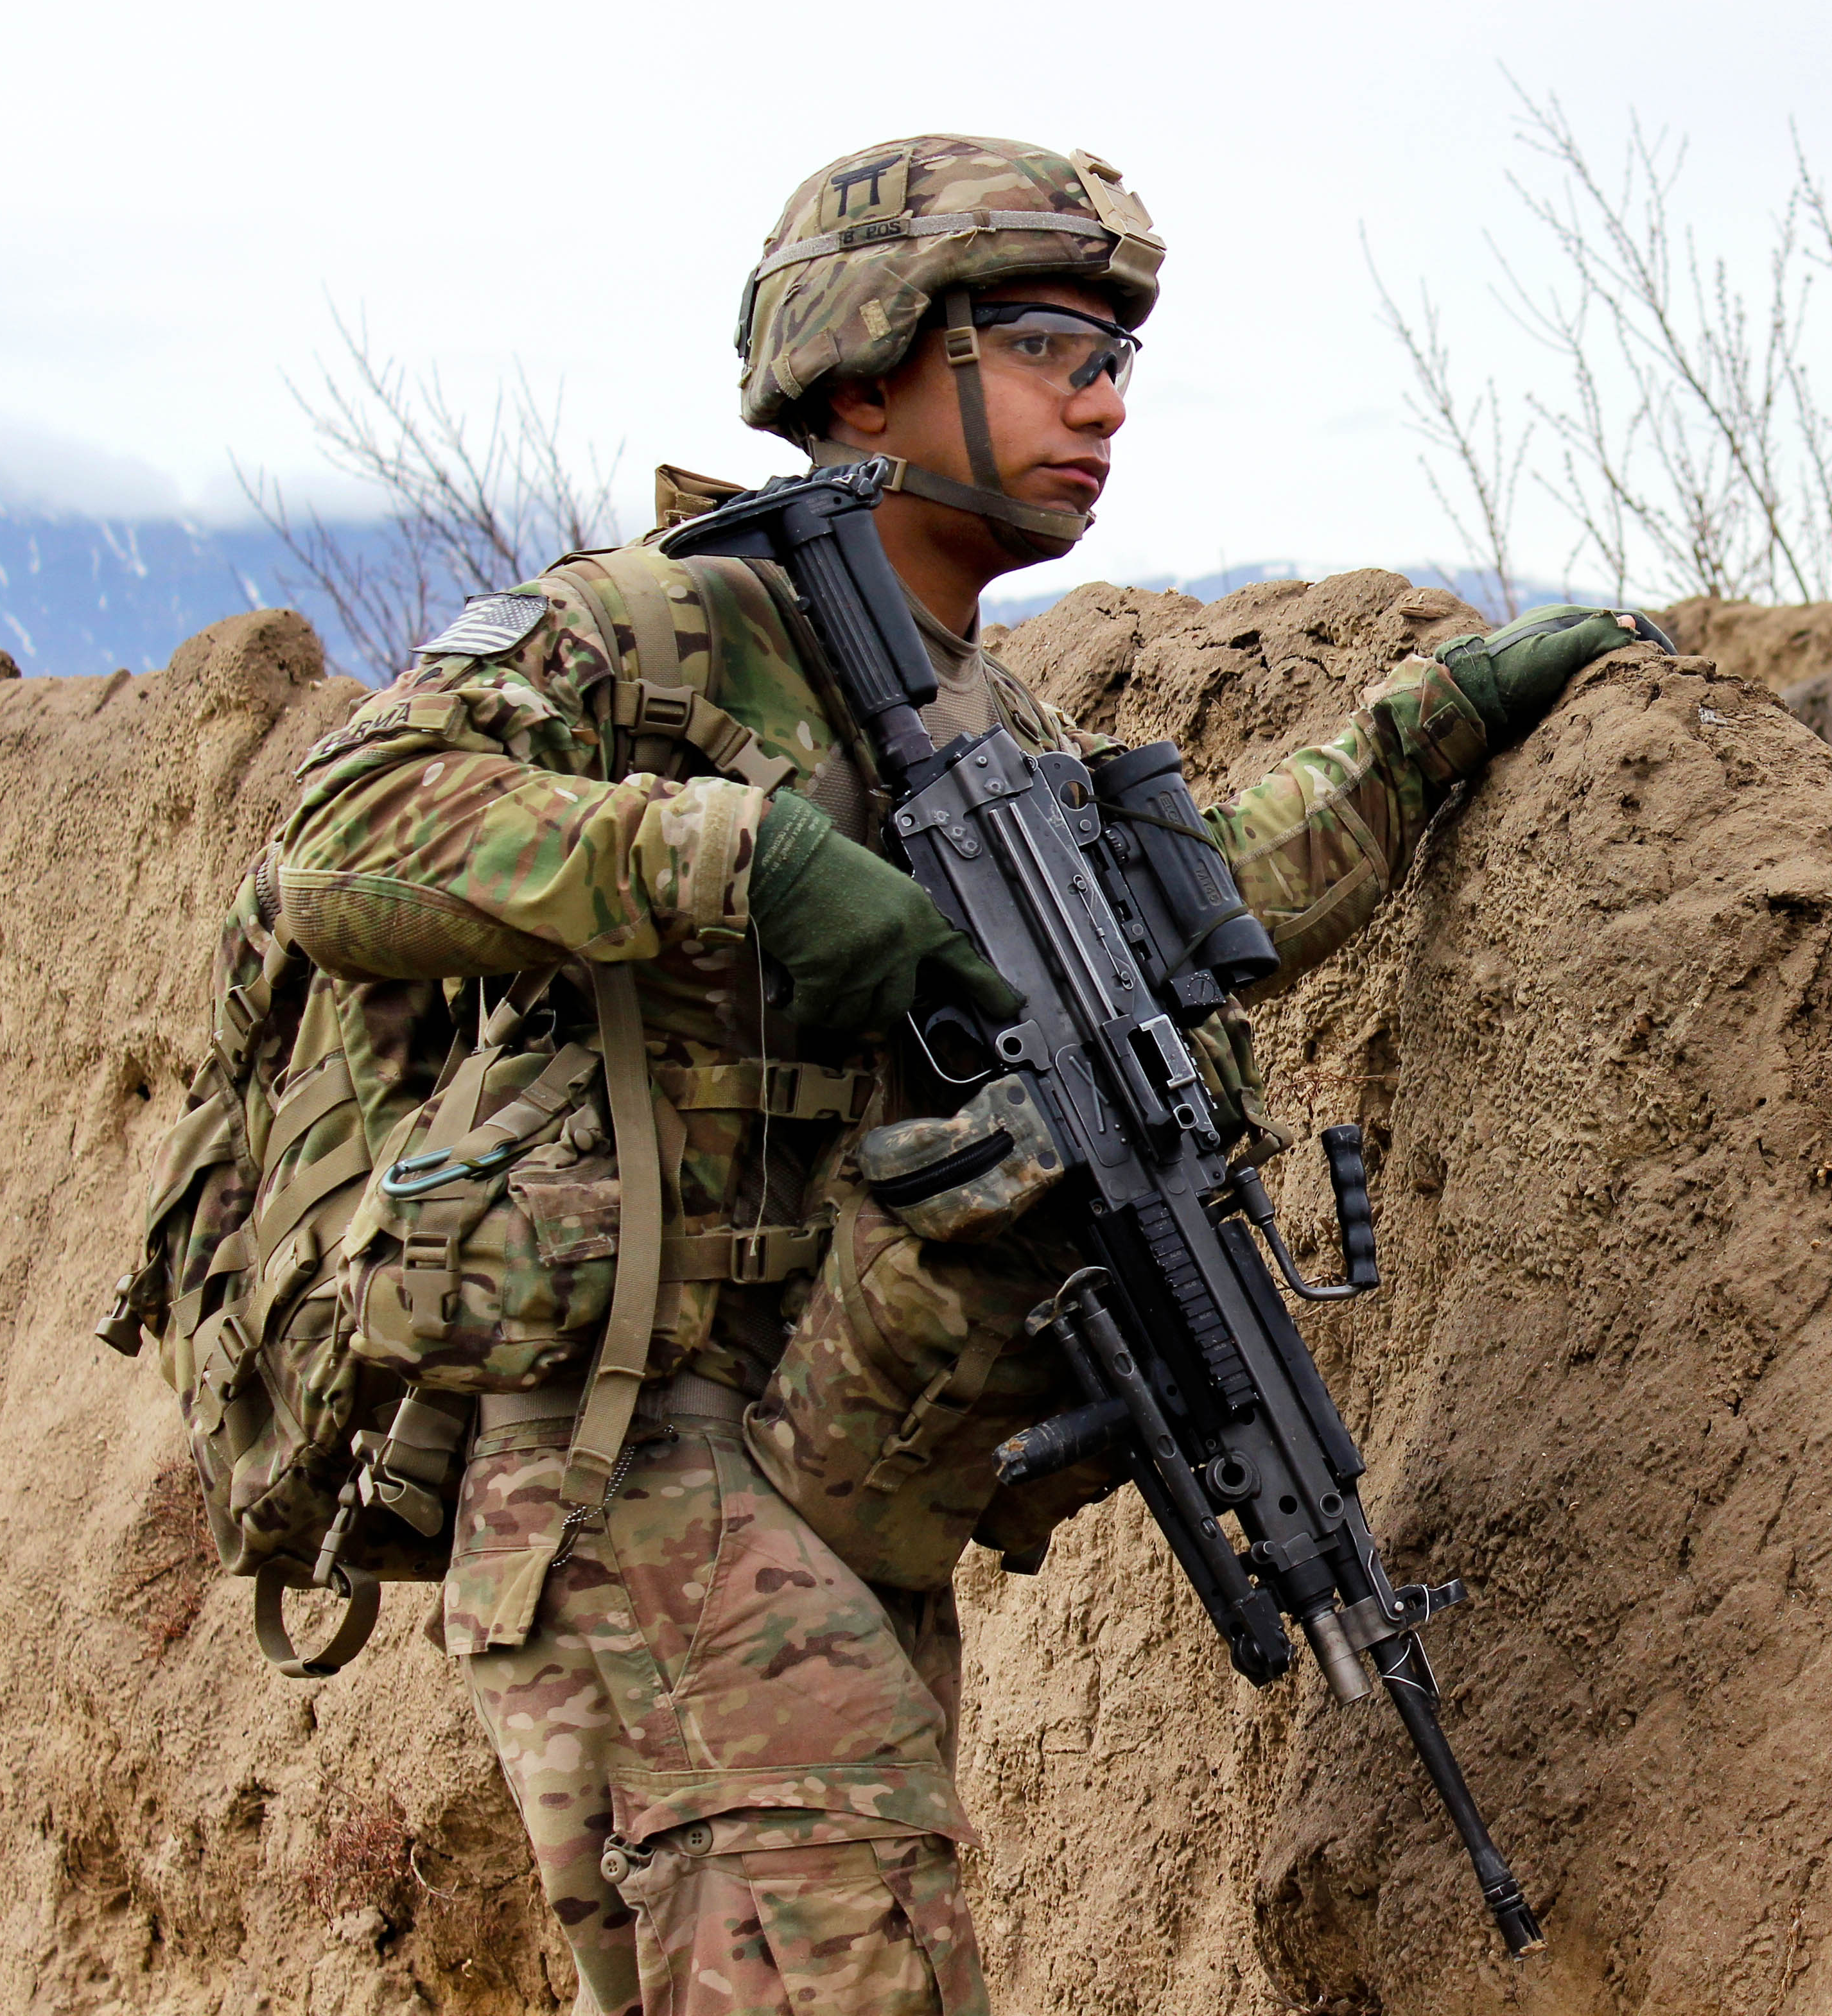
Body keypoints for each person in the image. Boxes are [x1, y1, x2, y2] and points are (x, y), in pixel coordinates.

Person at [267, 133, 1663, 2016]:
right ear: (866, 362)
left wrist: (1443, 726)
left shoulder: (982, 707)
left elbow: (1189, 910)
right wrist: (726, 862)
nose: (1100, 399)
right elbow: (344, 836)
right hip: (624, 1437)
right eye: (1042, 344)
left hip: (825, 1451)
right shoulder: (658, 624)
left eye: (1118, 361)